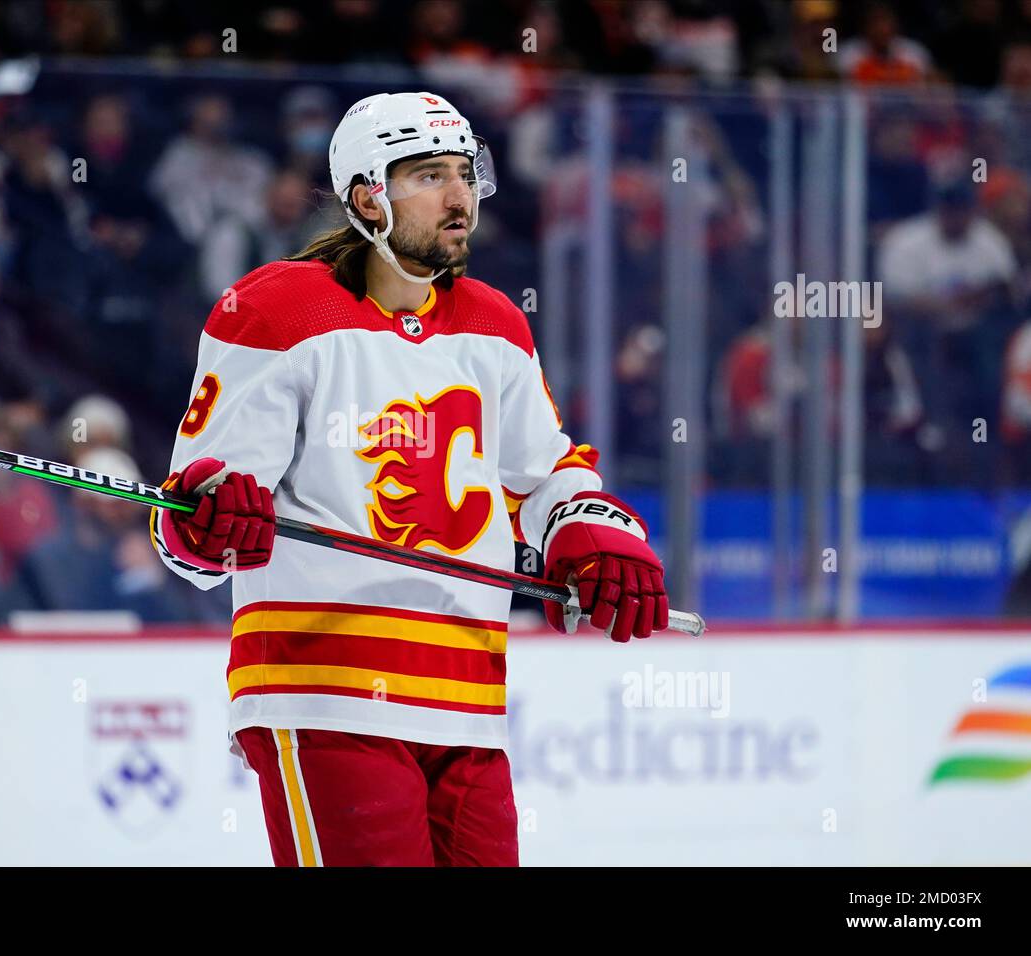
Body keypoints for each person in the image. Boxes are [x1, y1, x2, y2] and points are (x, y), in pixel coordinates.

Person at [148, 92, 670, 867]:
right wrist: (207, 520)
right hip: (324, 687)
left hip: (467, 699)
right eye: (429, 175)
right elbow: (192, 523)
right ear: (368, 197)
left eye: (465, 173)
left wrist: (593, 530)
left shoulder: (495, 324)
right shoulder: (275, 311)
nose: (460, 197)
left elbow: (544, 473)